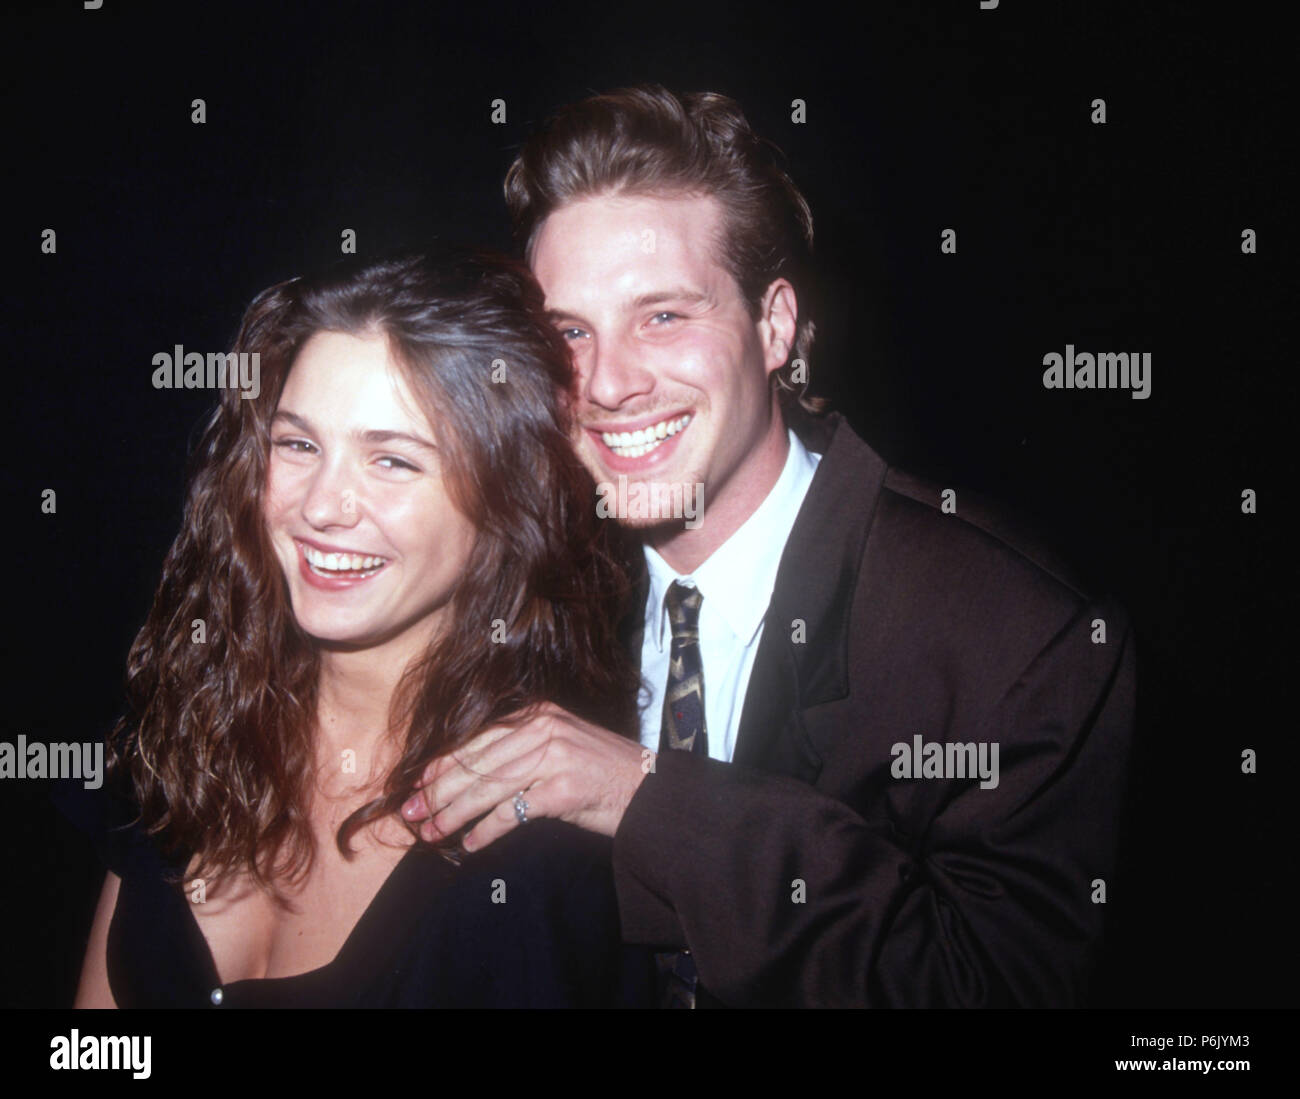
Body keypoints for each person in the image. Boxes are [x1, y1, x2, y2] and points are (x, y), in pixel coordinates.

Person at [402, 85, 1138, 1007]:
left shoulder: (1014, 633)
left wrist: (645, 795)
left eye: (664, 316)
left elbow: (985, 983)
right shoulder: (521, 587)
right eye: (569, 334)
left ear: (775, 324)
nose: (609, 383)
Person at [74, 250, 657, 1008]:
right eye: (299, 444)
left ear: (508, 500)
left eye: (392, 460)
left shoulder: (540, 857)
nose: (323, 505)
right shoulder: (188, 730)